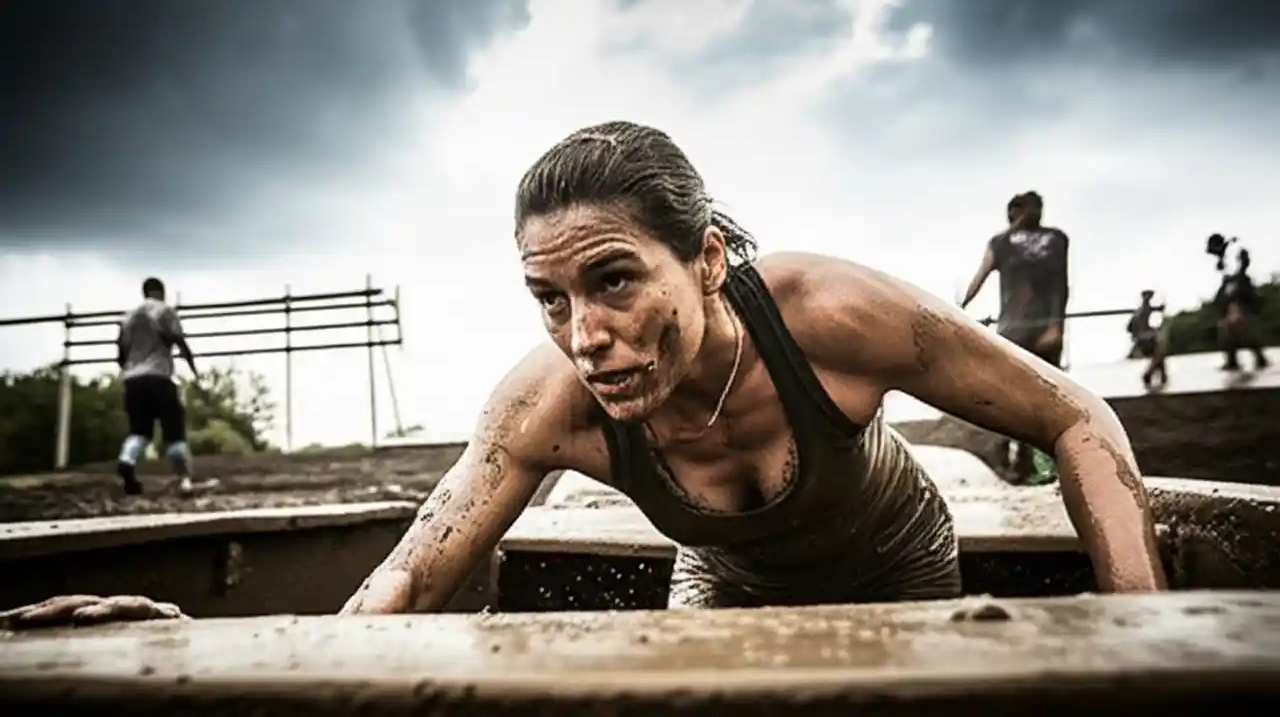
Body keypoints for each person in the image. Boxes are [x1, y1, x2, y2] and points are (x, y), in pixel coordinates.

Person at [0, 121, 1165, 630]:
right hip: (723, 587)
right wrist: (204, 648)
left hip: (900, 559)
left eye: (612, 281)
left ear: (706, 261)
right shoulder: (540, 404)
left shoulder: (831, 315)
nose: (583, 334)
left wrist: (1145, 634)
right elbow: (404, 584)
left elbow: (1071, 414)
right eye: (548, 298)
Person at [960, 191, 1071, 484]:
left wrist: (1056, 327)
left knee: (1045, 399)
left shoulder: (1055, 239)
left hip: (1044, 329)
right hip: (1013, 331)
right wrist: (960, 309)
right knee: (1012, 400)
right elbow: (979, 276)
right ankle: (1015, 462)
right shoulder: (1001, 242)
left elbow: (1061, 283)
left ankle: (1040, 466)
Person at [113, 277, 211, 496]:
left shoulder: (127, 318)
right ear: (161, 291)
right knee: (174, 429)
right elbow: (179, 341)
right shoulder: (165, 311)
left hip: (132, 379)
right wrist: (194, 370)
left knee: (139, 430)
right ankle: (184, 480)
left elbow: (120, 354)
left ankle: (126, 460)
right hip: (159, 377)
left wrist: (131, 368)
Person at [1210, 240, 1269, 372]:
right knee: (1228, 336)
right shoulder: (1229, 277)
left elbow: (1242, 267)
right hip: (1233, 307)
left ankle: (1258, 359)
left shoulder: (1241, 277)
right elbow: (1223, 270)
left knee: (1247, 335)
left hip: (1241, 306)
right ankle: (1233, 361)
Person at [1126, 290, 1167, 389]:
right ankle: (1150, 374)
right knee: (1158, 355)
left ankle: (1161, 376)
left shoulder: (1138, 312)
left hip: (1140, 339)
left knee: (1158, 355)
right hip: (1145, 338)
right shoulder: (1144, 310)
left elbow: (1129, 328)